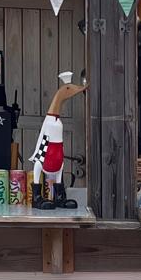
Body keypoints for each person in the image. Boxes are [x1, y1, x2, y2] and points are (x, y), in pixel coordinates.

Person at [30, 70, 87, 209]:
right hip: (47, 154)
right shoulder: (50, 122)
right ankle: (36, 197)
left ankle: (60, 197)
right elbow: (44, 139)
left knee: (59, 168)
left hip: (57, 154)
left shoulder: (56, 121)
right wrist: (41, 155)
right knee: (39, 166)